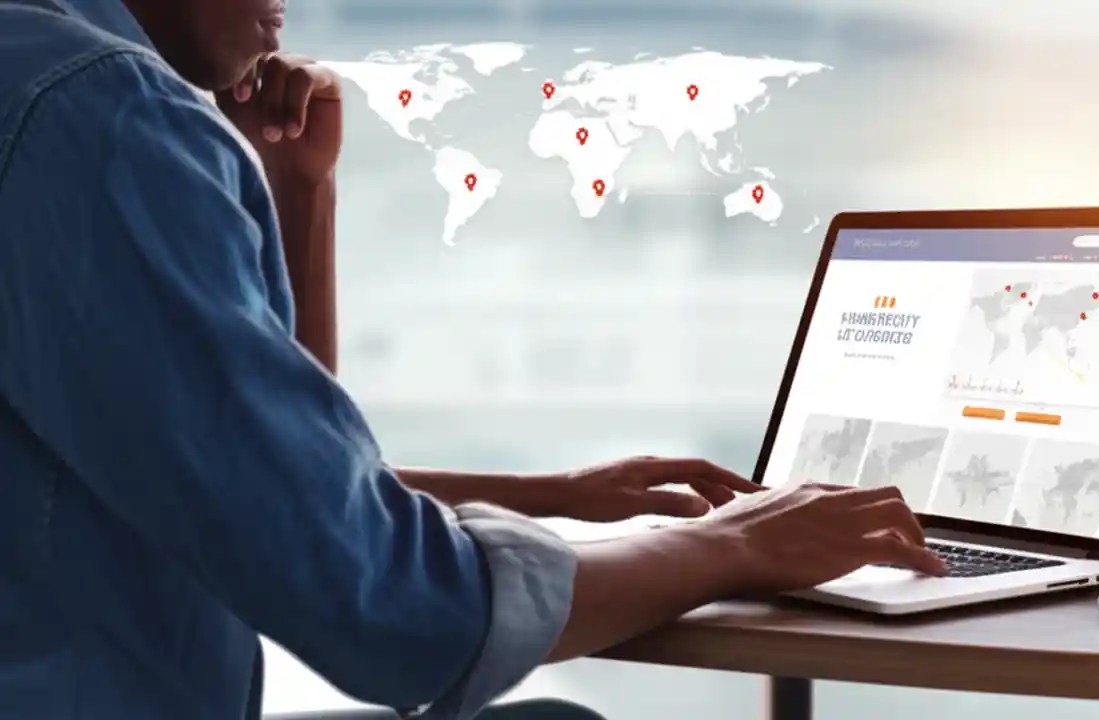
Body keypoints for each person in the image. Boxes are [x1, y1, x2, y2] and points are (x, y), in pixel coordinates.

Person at [0, 1, 947, 719]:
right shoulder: (104, 114)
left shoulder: (35, 71)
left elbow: (276, 486)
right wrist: (731, 546)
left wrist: (297, 190)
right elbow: (388, 608)